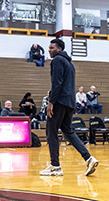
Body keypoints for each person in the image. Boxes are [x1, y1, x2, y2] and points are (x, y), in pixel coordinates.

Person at [40, 38, 98, 177]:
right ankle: (89, 158)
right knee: (68, 131)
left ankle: (55, 166)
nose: (49, 50)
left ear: (60, 48)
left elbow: (57, 83)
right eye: (49, 47)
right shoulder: (70, 63)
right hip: (70, 103)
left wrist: (51, 102)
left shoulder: (57, 60)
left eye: (52, 47)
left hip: (59, 102)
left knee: (51, 132)